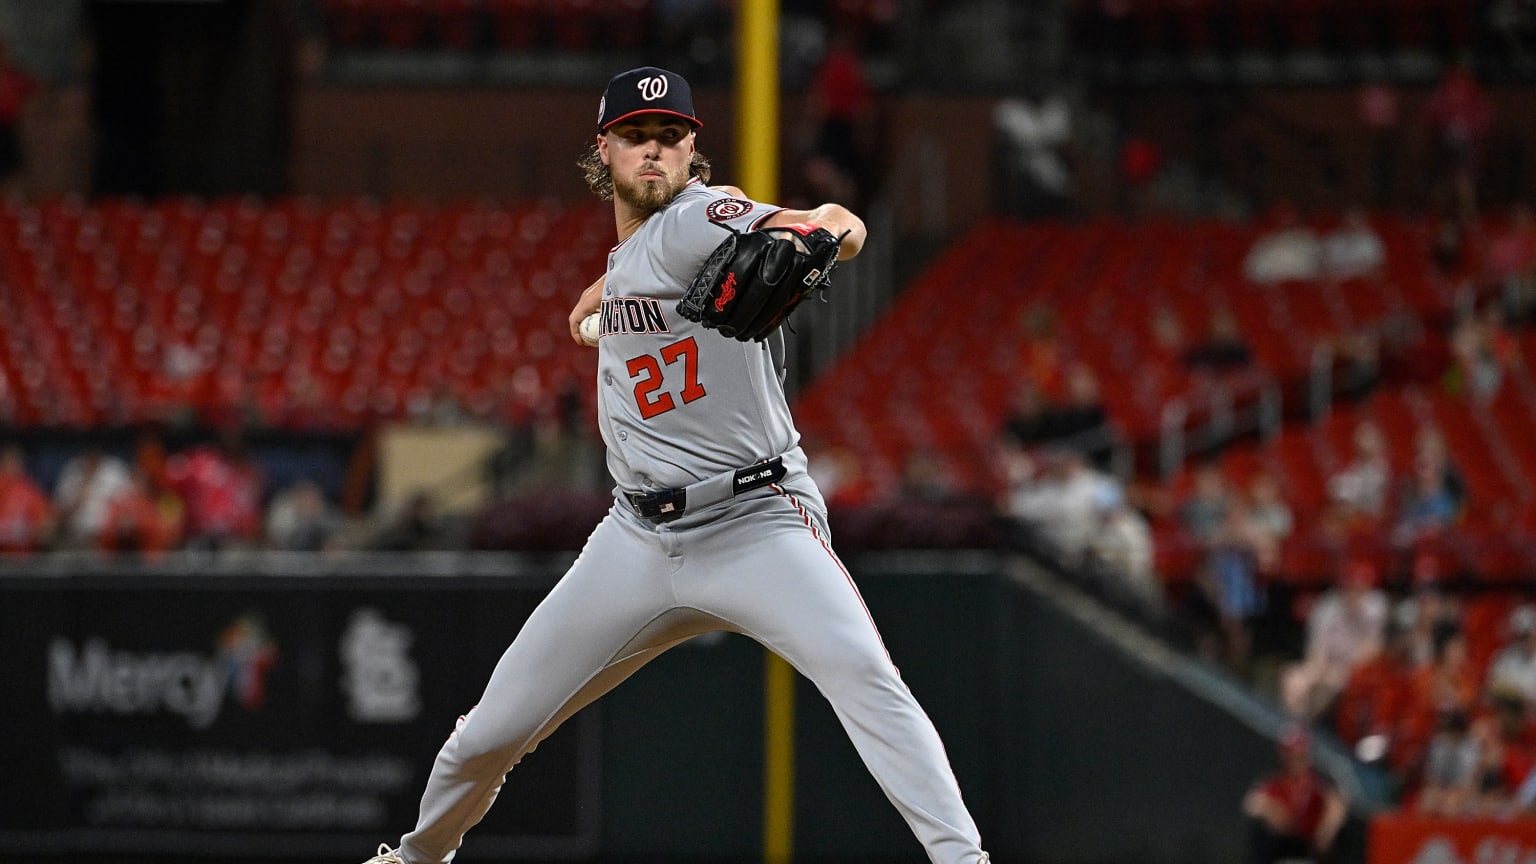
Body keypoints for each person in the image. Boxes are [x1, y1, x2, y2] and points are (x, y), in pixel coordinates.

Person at [361, 67, 990, 864]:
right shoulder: (634, 254)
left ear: (694, 150)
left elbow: (831, 222)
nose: (653, 152)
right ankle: (417, 859)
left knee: (866, 677)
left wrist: (822, 236)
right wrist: (597, 294)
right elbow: (634, 270)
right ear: (605, 150)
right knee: (485, 736)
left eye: (670, 137)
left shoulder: (701, 217)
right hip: (635, 539)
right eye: (635, 136)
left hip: (757, 520)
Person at [1242, 725, 1348, 864]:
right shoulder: (1278, 782)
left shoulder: (1316, 783)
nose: (1295, 760)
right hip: (1281, 848)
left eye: (1300, 755)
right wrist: (1274, 811)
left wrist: (1325, 831)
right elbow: (1252, 804)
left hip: (1309, 849)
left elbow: (1336, 805)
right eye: (1291, 755)